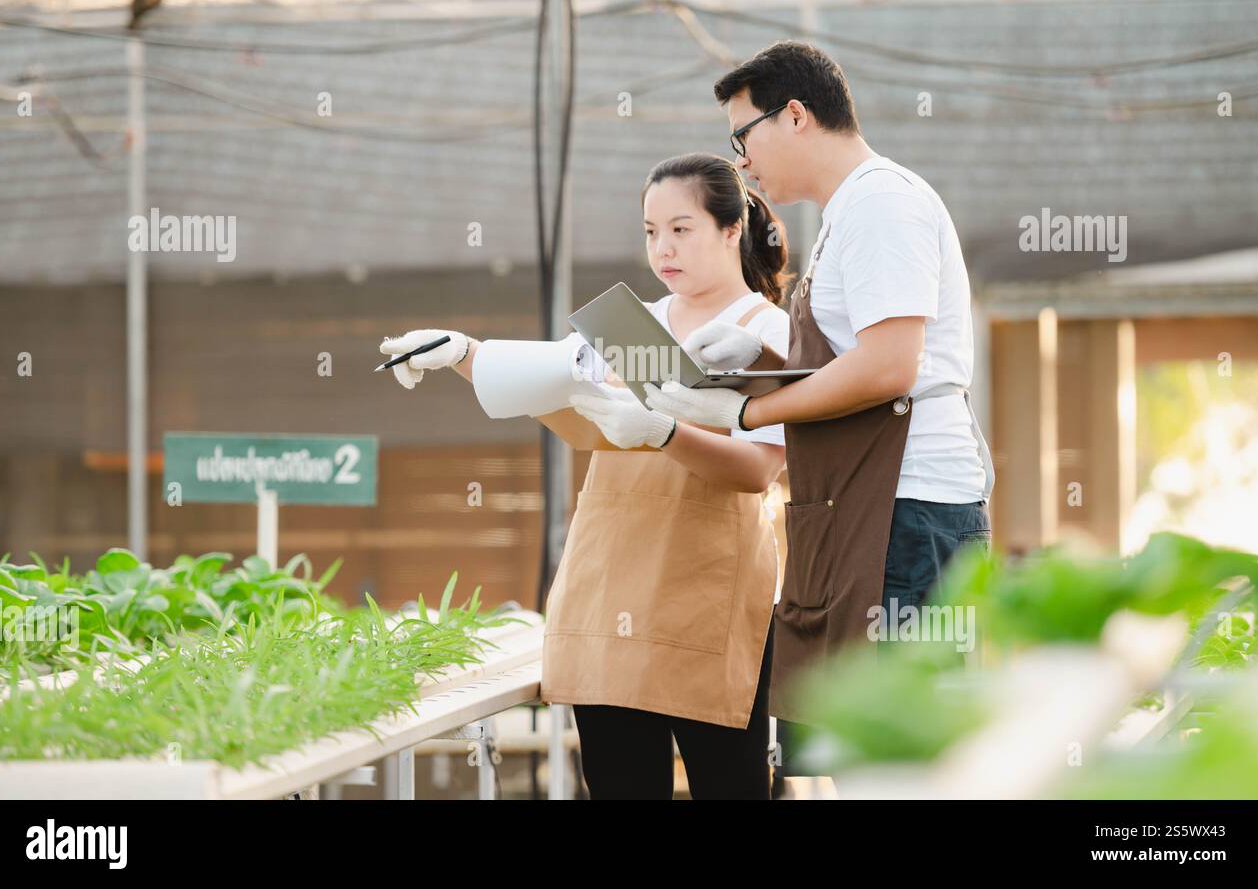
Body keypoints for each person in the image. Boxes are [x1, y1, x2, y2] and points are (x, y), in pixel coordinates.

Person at [379, 153, 792, 799]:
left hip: (709, 599)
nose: (664, 249)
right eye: (651, 232)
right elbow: (542, 375)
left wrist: (665, 433)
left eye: (681, 229)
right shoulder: (633, 326)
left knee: (731, 787)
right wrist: (462, 353)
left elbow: (762, 469)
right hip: (612, 591)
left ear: (733, 229)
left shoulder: (762, 332)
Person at [642, 42, 995, 772]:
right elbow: (853, 361)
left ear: (795, 116)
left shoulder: (881, 203)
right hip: (876, 510)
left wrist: (746, 415)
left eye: (744, 139)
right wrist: (756, 368)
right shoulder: (850, 213)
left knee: (900, 764)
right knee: (865, 758)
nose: (742, 164)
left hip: (905, 512)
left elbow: (890, 367)